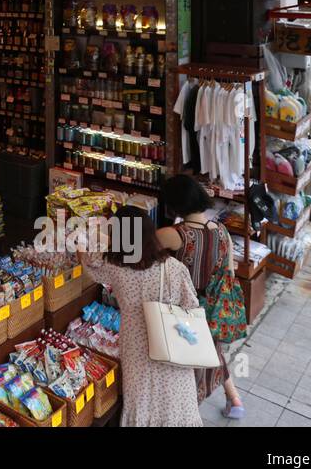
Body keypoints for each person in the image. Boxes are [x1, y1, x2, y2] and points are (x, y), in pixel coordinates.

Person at [79, 205, 203, 427]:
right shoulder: (174, 268)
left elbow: (88, 261)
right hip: (172, 343)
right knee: (175, 401)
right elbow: (192, 307)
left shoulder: (115, 266)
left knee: (140, 400)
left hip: (135, 344)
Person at [156, 175, 247, 419]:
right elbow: (229, 273)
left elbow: (138, 254)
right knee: (213, 352)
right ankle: (234, 398)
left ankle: (186, 415)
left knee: (188, 365)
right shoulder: (222, 232)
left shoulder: (174, 234)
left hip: (183, 312)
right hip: (213, 312)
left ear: (175, 204)